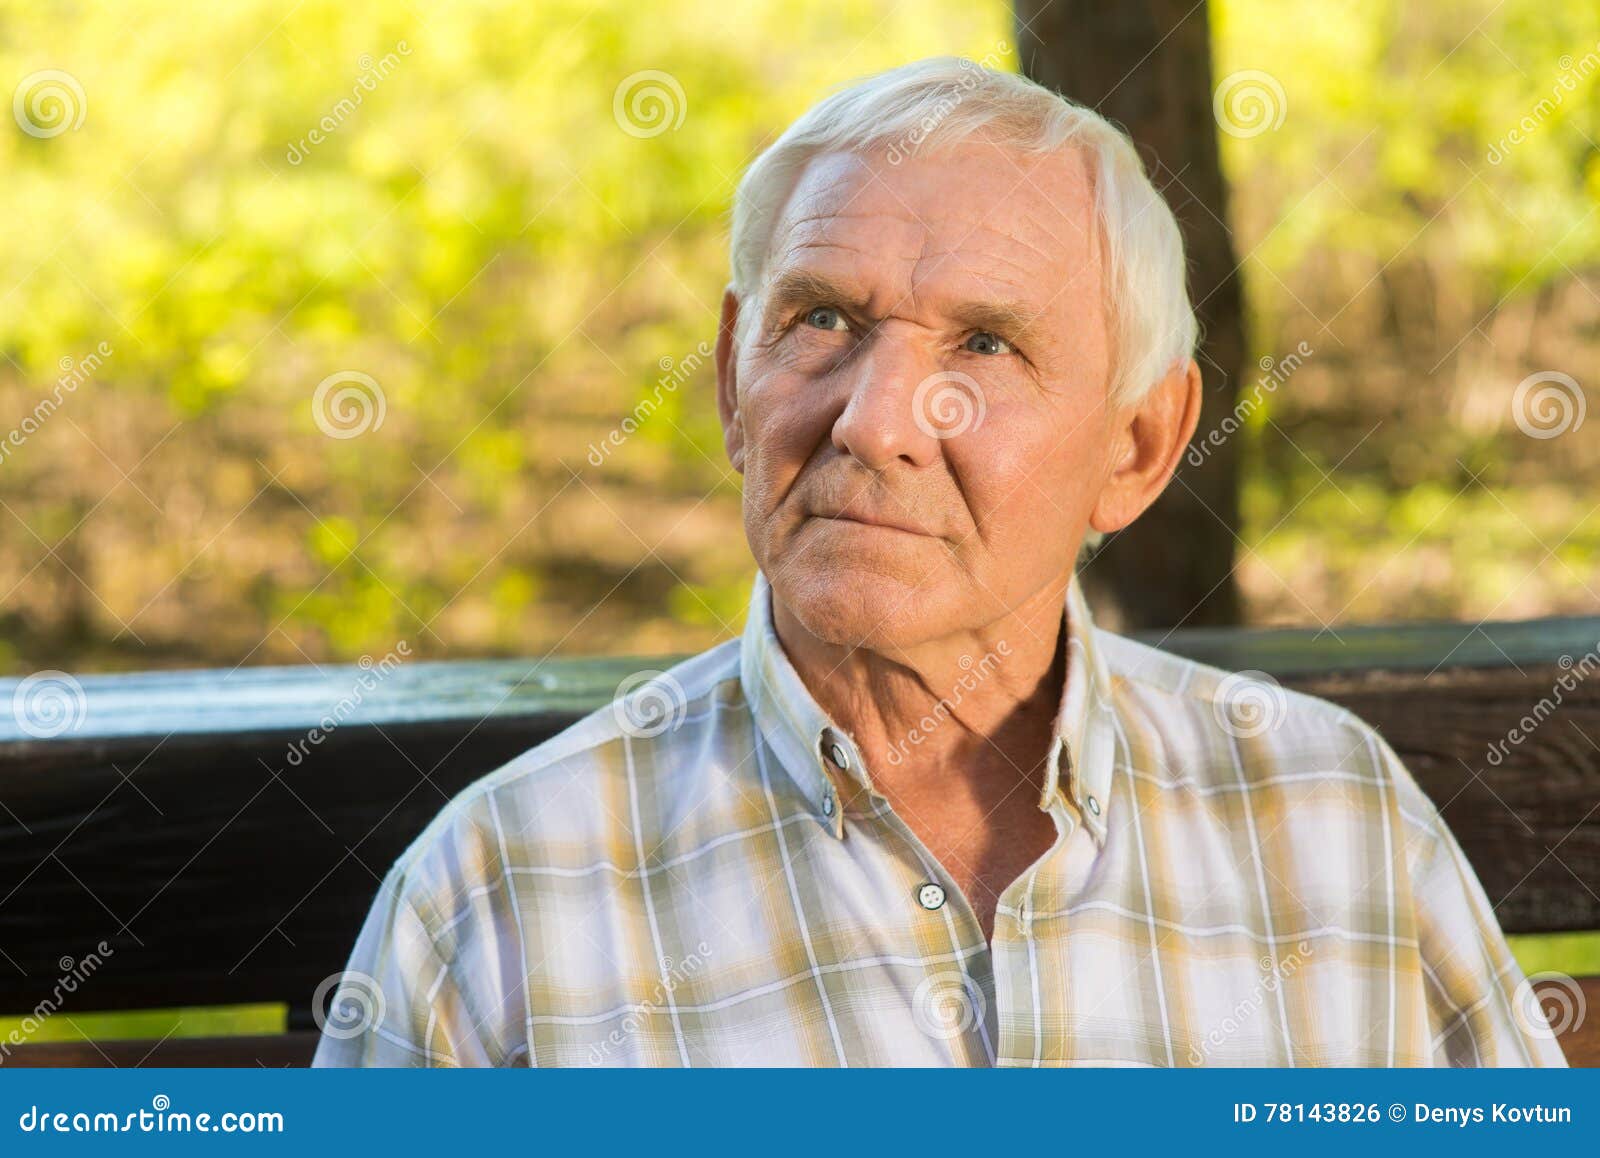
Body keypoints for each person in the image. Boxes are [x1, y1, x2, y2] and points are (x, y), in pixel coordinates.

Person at [314, 57, 1564, 1068]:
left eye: (983, 345)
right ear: (732, 382)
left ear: (1136, 447)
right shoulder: (503, 887)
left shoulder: (1330, 819)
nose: (874, 420)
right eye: (823, 322)